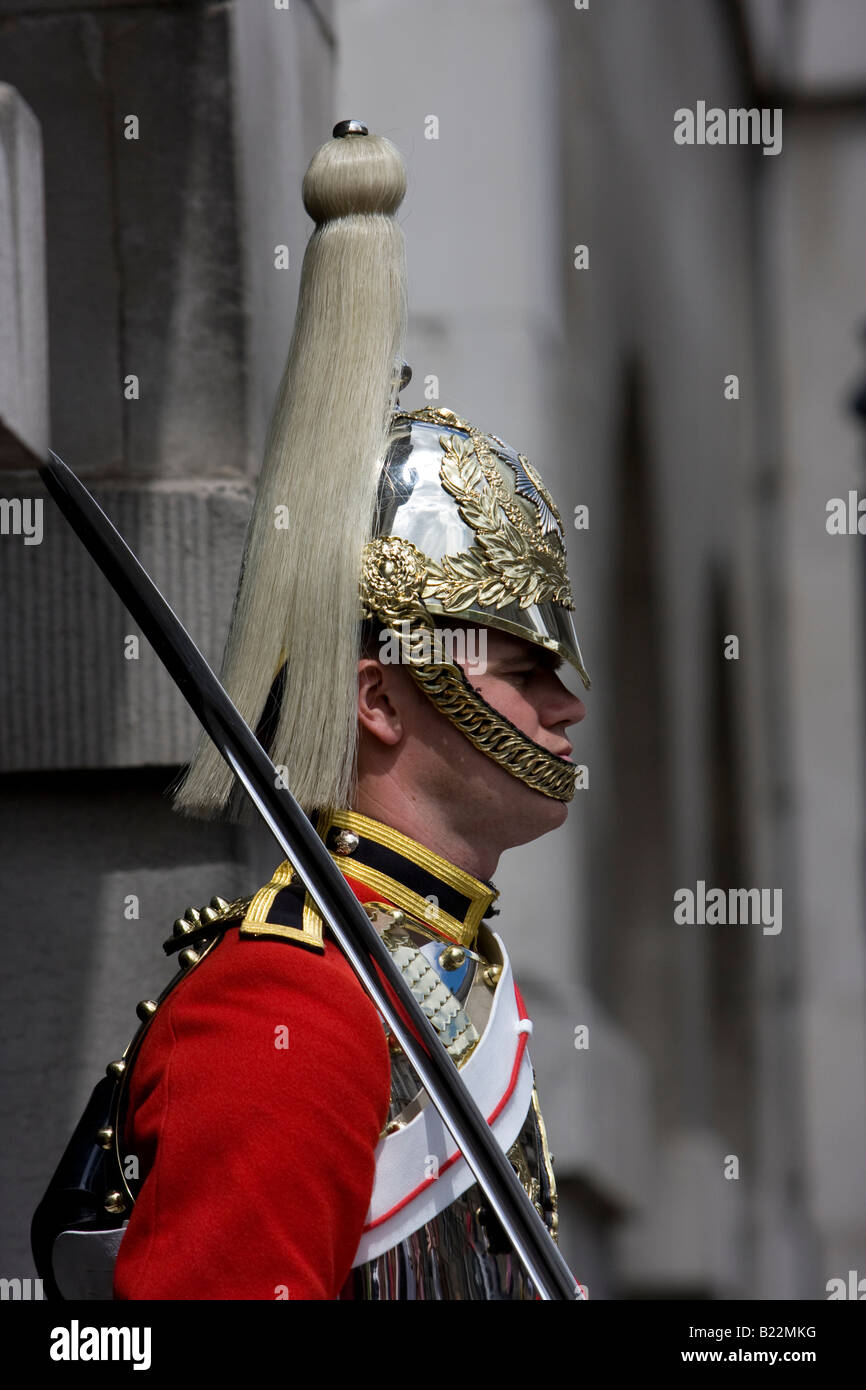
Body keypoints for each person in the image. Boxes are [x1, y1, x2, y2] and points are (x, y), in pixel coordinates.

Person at [35, 123, 592, 1301]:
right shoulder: (289, 1004)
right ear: (380, 699)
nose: (564, 705)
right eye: (521, 664)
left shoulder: (440, 974)